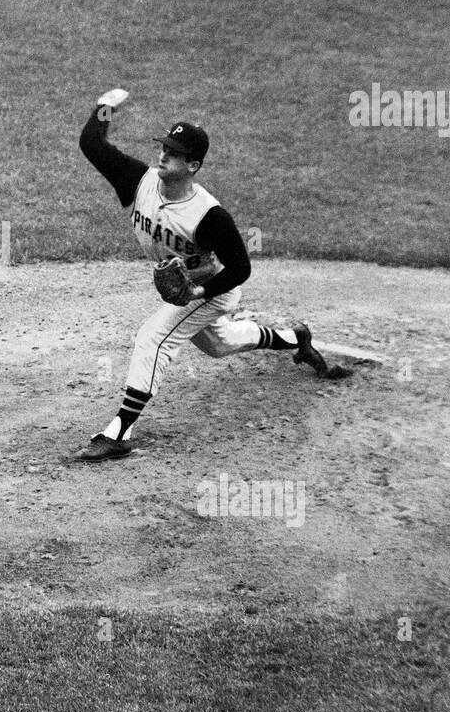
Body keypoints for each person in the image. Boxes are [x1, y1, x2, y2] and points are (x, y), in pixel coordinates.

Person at [75, 88, 336, 461]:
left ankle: (118, 431)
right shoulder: (138, 181)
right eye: (164, 148)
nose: (163, 155)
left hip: (213, 289)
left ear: (193, 165)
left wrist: (197, 293)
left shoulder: (209, 216)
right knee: (221, 344)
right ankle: (296, 338)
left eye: (175, 154)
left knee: (153, 337)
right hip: (192, 292)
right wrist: (106, 106)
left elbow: (241, 268)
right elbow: (92, 143)